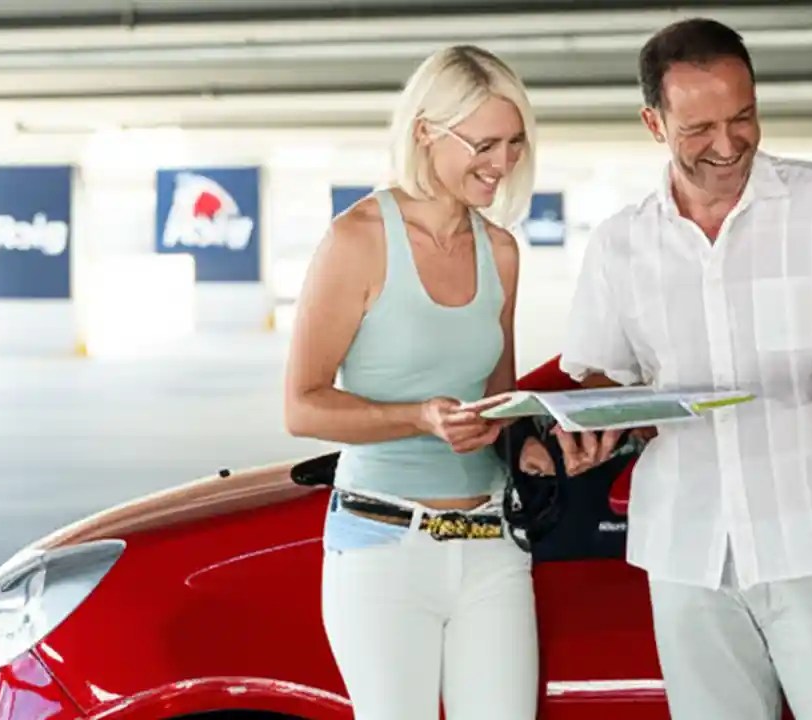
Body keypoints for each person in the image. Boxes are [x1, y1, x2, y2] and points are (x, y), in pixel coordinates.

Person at [556, 18, 812, 720]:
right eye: (699, 128)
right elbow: (600, 388)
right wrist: (593, 431)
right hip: (686, 552)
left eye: (743, 117)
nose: (728, 146)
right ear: (652, 122)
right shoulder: (619, 244)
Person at [283, 44, 547, 720]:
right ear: (426, 131)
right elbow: (302, 405)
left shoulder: (501, 252)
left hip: (490, 544)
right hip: (382, 548)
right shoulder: (358, 240)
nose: (504, 161)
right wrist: (418, 417)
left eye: (515, 142)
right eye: (485, 143)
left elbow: (500, 395)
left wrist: (525, 433)